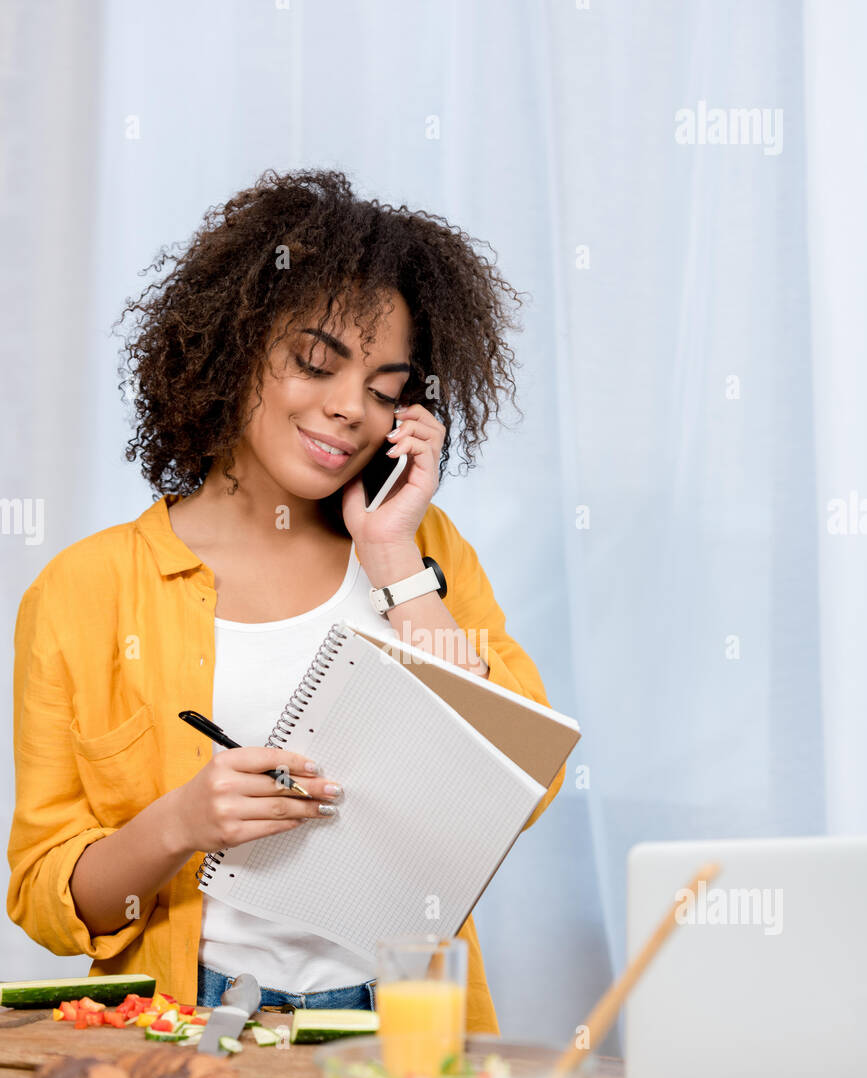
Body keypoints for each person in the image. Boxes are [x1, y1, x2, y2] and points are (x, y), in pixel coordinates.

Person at [7, 168, 564, 1032]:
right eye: (316, 363)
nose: (350, 410)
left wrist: (392, 559)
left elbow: (522, 791)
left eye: (385, 391)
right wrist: (180, 822)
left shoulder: (425, 551)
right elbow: (47, 899)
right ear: (233, 348)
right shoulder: (85, 592)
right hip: (196, 1026)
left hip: (401, 1025)